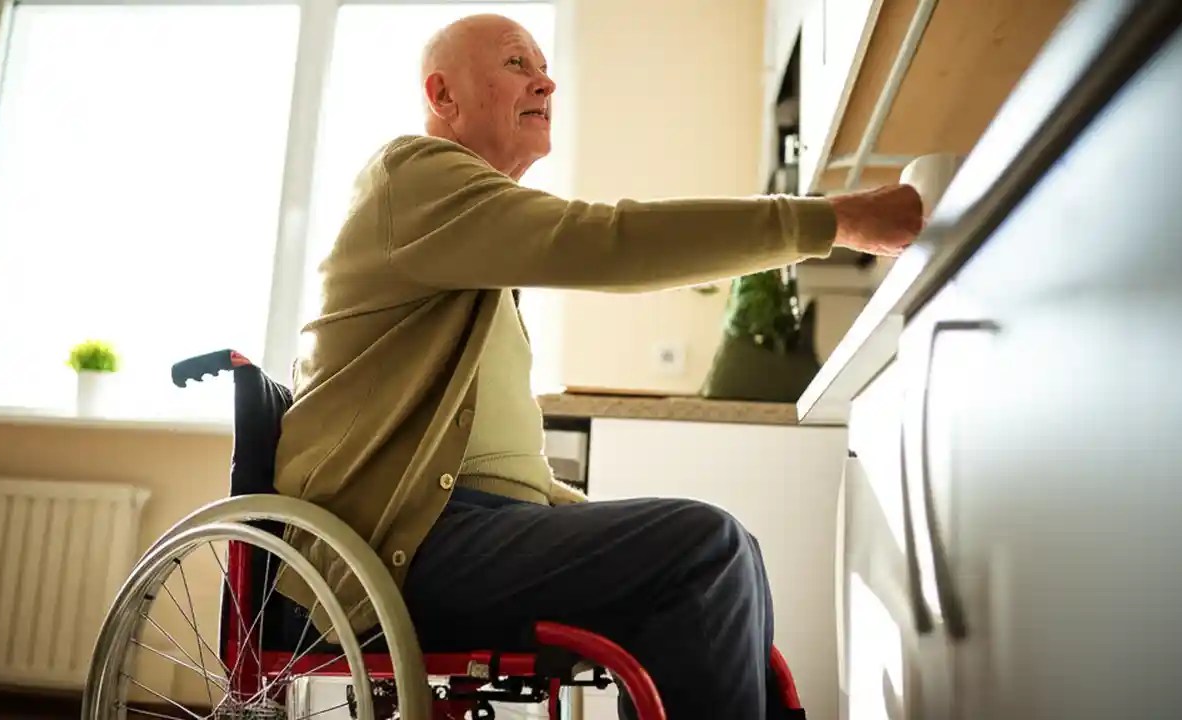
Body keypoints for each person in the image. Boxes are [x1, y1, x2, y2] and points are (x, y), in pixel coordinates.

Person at [271, 12, 922, 719]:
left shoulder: (469, 249)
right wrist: (831, 221)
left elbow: (501, 472)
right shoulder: (413, 174)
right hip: (397, 553)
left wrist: (593, 521)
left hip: (460, 533)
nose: (546, 81)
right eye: (518, 64)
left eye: (544, 67)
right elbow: (609, 239)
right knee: (706, 550)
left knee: (725, 555)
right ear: (443, 95)